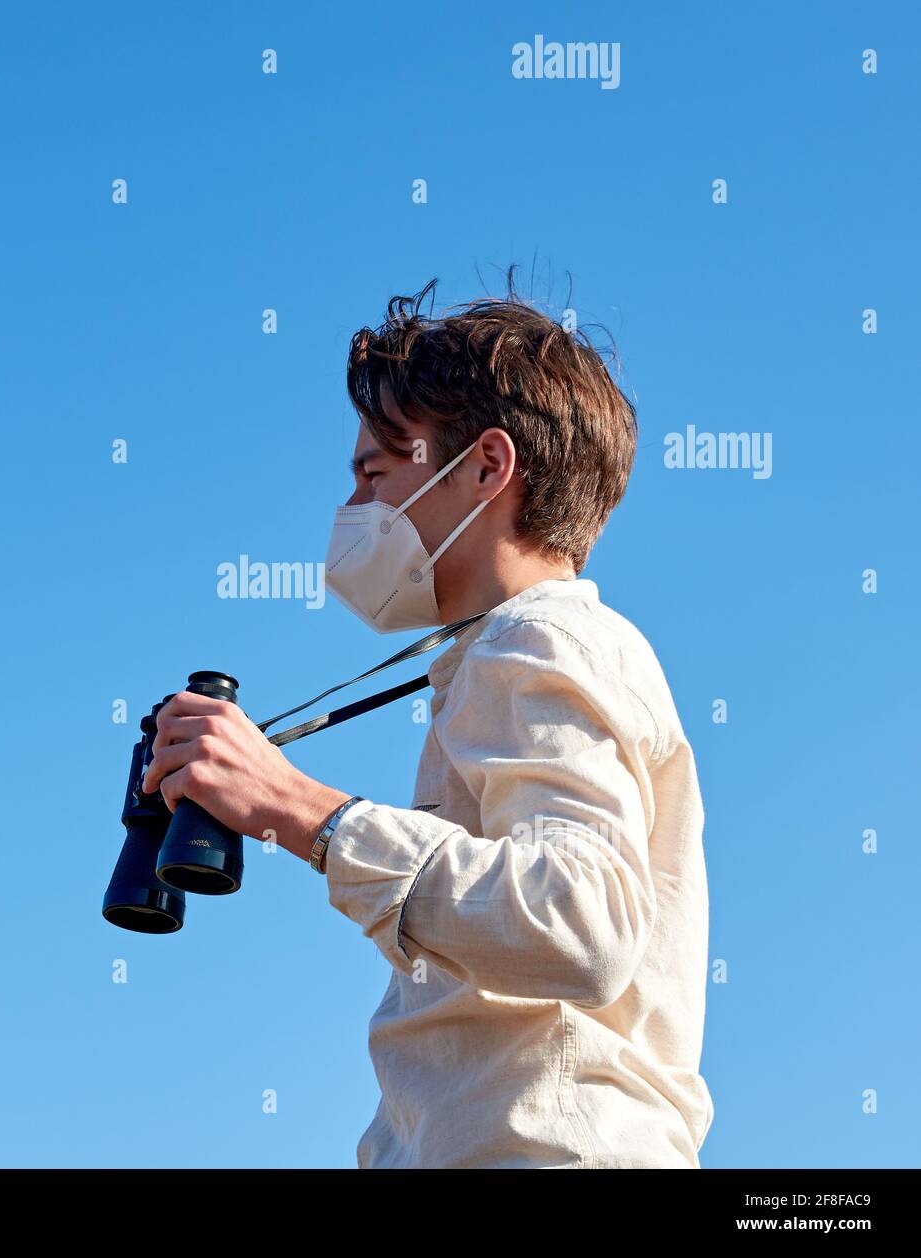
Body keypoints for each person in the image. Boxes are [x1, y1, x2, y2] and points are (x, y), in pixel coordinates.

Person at [139, 276, 714, 1169]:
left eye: (376, 471)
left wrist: (299, 809)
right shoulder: (498, 651)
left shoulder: (540, 638)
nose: (356, 511)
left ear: (486, 467)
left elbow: (582, 926)